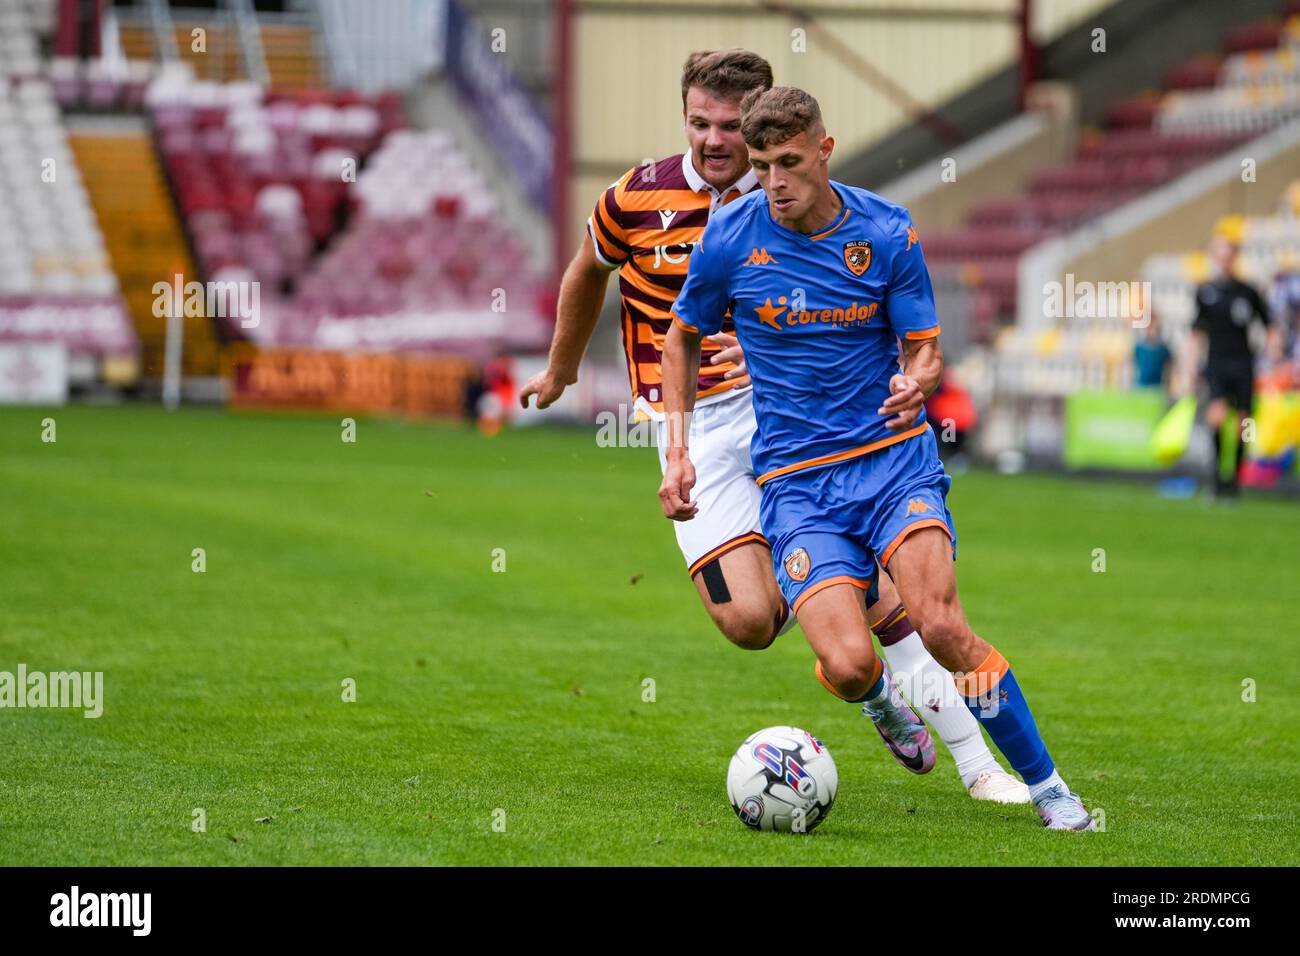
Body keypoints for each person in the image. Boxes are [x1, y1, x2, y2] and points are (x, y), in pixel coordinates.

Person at [521, 51, 1026, 803]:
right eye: (700, 123)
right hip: (694, 426)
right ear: (684, 120)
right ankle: (871, 687)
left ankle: (978, 766)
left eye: (732, 125)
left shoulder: (803, 204)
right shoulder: (634, 198)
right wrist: (561, 370)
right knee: (752, 621)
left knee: (892, 606)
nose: (715, 139)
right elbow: (586, 272)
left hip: (795, 422)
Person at [660, 85, 1094, 830]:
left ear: (825, 150)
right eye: (761, 166)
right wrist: (676, 452)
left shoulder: (887, 232)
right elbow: (681, 337)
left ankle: (1051, 788)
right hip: (797, 486)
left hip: (892, 464)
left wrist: (917, 380)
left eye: (789, 163)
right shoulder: (731, 237)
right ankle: (879, 703)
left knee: (941, 626)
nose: (775, 183)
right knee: (854, 664)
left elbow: (924, 347)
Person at [1191, 235, 1278, 498]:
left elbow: (1269, 326)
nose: (1225, 261)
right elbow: (1197, 331)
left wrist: (1273, 357)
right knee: (1216, 418)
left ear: (1235, 258)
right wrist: (1193, 365)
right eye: (1221, 256)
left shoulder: (1248, 292)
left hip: (1243, 364)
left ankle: (1236, 480)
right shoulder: (1205, 292)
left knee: (1244, 425)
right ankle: (1218, 477)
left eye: (1229, 255)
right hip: (1217, 363)